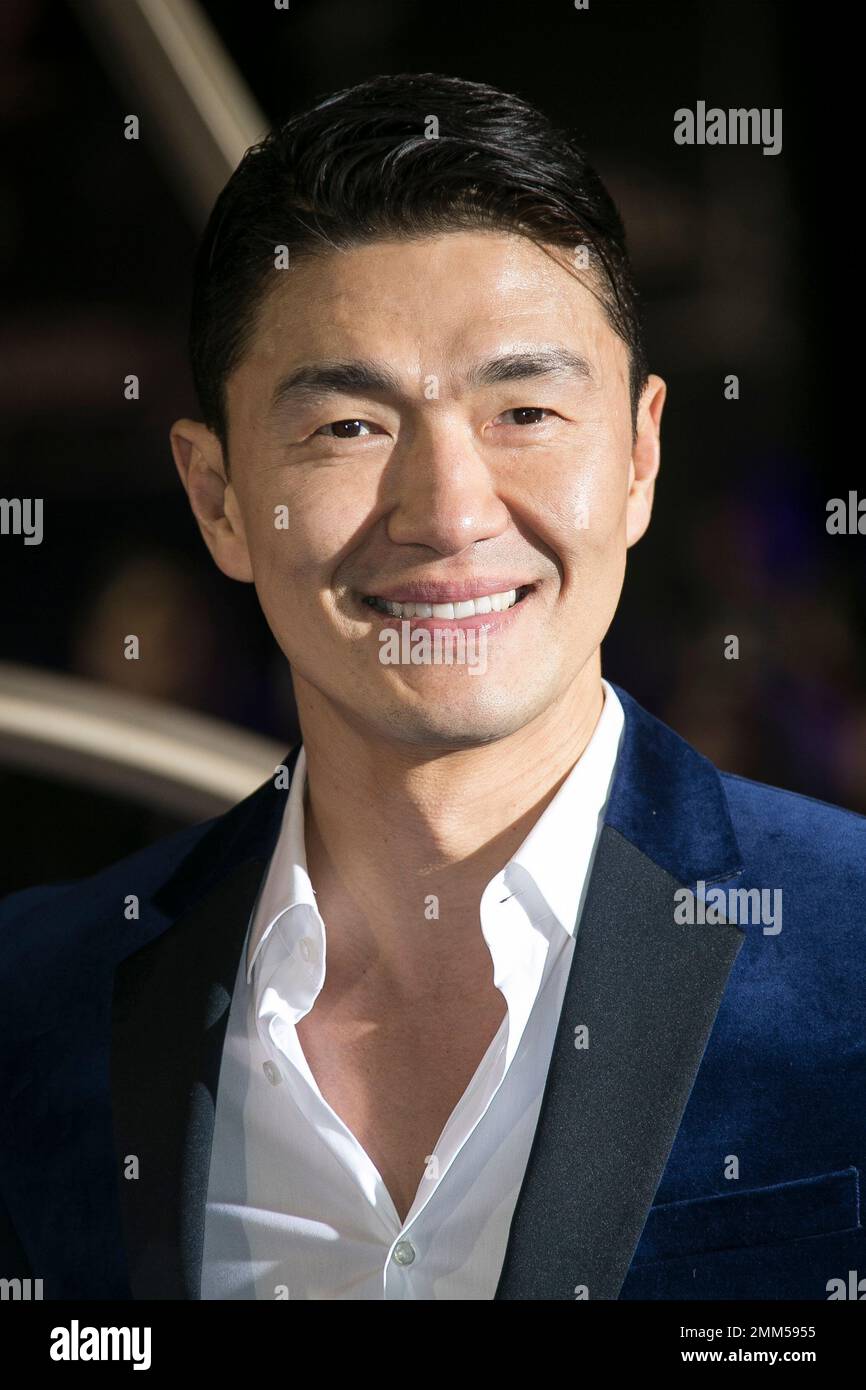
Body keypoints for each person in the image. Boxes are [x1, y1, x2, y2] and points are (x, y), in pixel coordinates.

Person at [1, 73, 863, 1302]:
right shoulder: (37, 1003)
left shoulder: (848, 950)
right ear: (217, 497)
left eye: (523, 409)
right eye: (348, 427)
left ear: (637, 454)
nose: (450, 514)